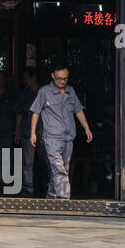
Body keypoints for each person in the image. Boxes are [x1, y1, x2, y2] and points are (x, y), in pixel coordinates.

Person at [28, 65, 93, 199]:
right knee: (58, 168)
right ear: (53, 76)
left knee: (63, 169)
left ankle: (51, 198)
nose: (62, 81)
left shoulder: (71, 91)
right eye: (59, 79)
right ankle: (64, 198)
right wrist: (33, 133)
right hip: (52, 138)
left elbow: (78, 110)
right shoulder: (44, 92)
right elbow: (35, 112)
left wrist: (86, 127)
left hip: (69, 138)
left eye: (65, 78)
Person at [13, 67, 40, 196]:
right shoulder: (24, 94)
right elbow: (19, 115)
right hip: (27, 132)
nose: (24, 81)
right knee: (28, 161)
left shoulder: (45, 92)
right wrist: (17, 132)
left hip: (44, 132)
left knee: (46, 161)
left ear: (33, 78)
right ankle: (28, 187)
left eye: (26, 78)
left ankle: (47, 186)